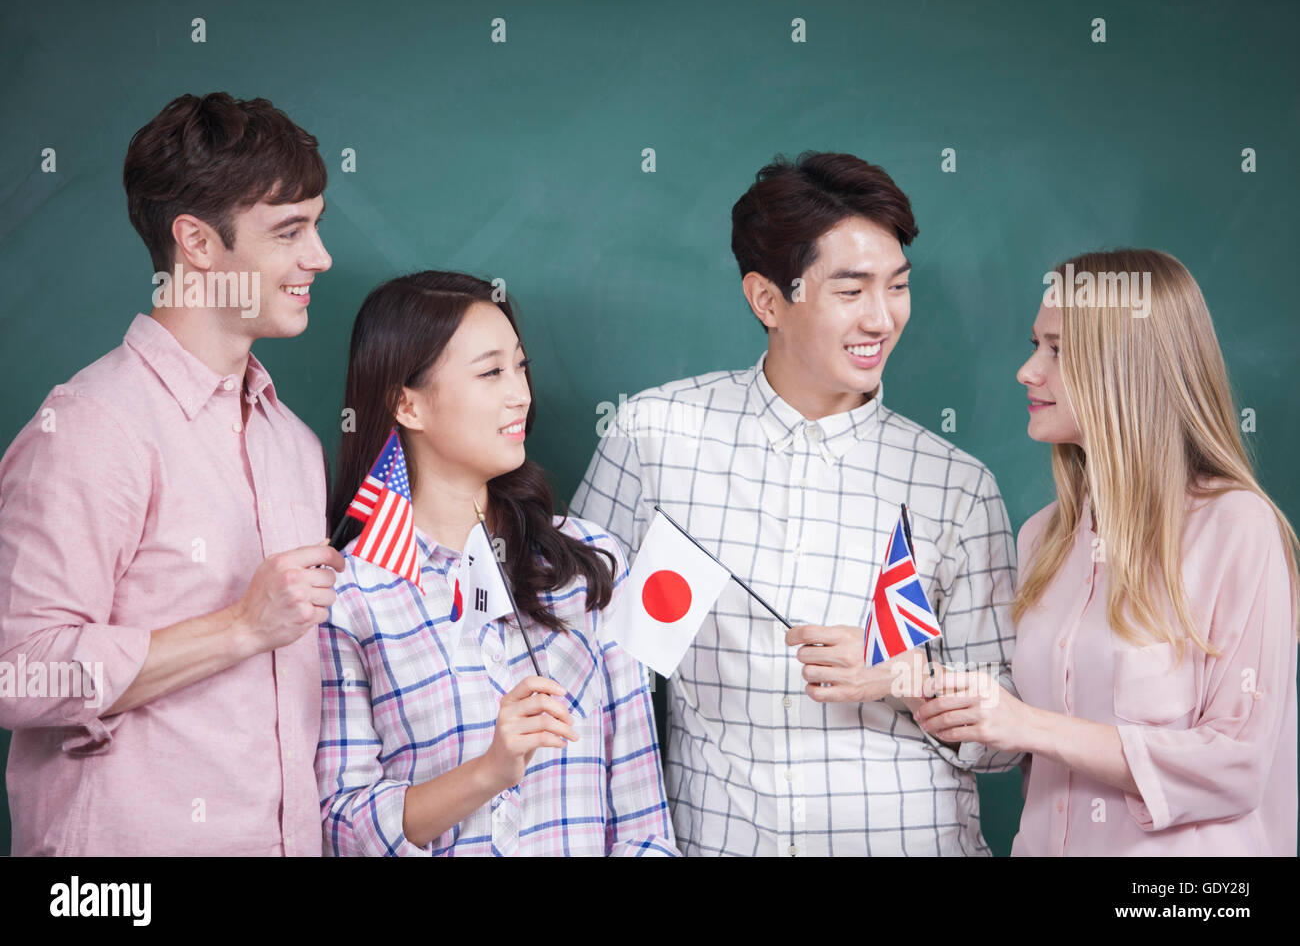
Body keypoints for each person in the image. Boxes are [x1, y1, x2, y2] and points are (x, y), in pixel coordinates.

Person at [572, 151, 1023, 856]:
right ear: (767, 300)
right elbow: (581, 651)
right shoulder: (654, 435)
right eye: (851, 290)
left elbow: (1006, 742)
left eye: (898, 287)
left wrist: (899, 675)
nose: (882, 318)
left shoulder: (957, 485)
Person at [0, 93, 343, 855]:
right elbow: (16, 672)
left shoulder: (294, 444)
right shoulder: (92, 426)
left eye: (316, 226)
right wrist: (240, 627)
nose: (319, 257)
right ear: (196, 241)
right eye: (290, 231)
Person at [915, 248, 1299, 855]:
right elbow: (1023, 741)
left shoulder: (1237, 528)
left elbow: (1238, 763)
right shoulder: (1042, 537)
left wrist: (1029, 725)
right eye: (1035, 344)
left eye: (1057, 350)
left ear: (1128, 367)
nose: (1027, 370)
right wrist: (922, 689)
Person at [316, 270, 678, 856]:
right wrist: (489, 769)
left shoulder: (591, 566)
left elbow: (644, 822)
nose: (521, 394)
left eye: (521, 367)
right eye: (490, 373)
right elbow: (341, 825)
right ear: (407, 403)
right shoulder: (348, 595)